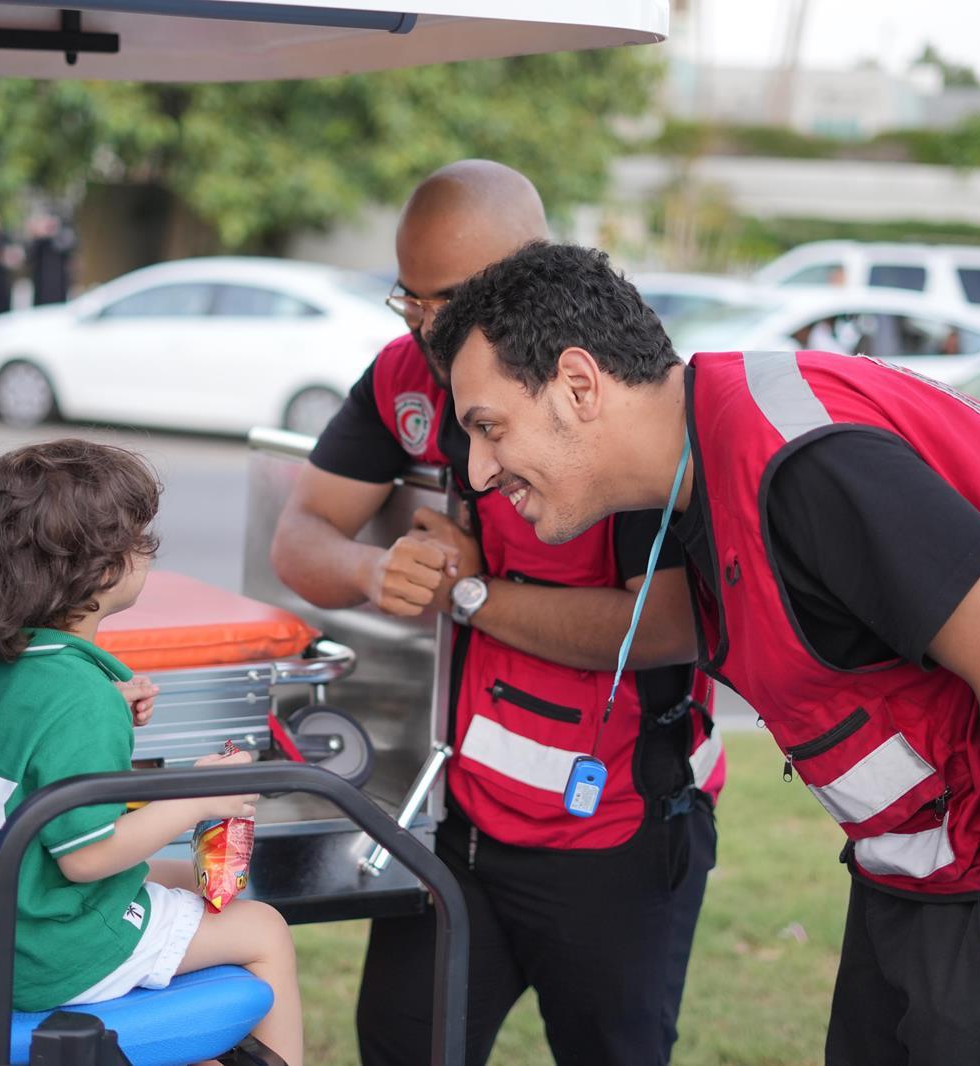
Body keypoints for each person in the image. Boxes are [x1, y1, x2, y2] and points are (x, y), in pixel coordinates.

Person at [431, 240, 980, 1066]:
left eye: (488, 428)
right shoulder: (702, 455)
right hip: (938, 849)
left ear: (580, 385)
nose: (479, 470)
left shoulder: (799, 463)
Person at [270, 161, 723, 1066]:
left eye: (450, 300)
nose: (427, 327)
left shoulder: (616, 398)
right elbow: (299, 534)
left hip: (614, 834)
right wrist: (375, 567)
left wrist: (470, 597)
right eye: (410, 300)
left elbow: (667, 627)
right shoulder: (407, 372)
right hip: (454, 819)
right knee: (399, 1046)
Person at [0, 439, 303, 1066]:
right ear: (100, 570)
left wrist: (105, 711)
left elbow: (16, 774)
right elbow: (88, 858)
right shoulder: (80, 699)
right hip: (50, 955)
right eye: (139, 540)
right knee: (263, 928)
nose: (146, 553)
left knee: (196, 885)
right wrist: (197, 797)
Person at [28, 210, 77, 306]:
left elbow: (65, 247)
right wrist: (38, 235)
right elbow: (29, 256)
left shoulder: (61, 237)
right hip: (41, 291)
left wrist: (52, 233)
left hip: (59, 290)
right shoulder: (39, 242)